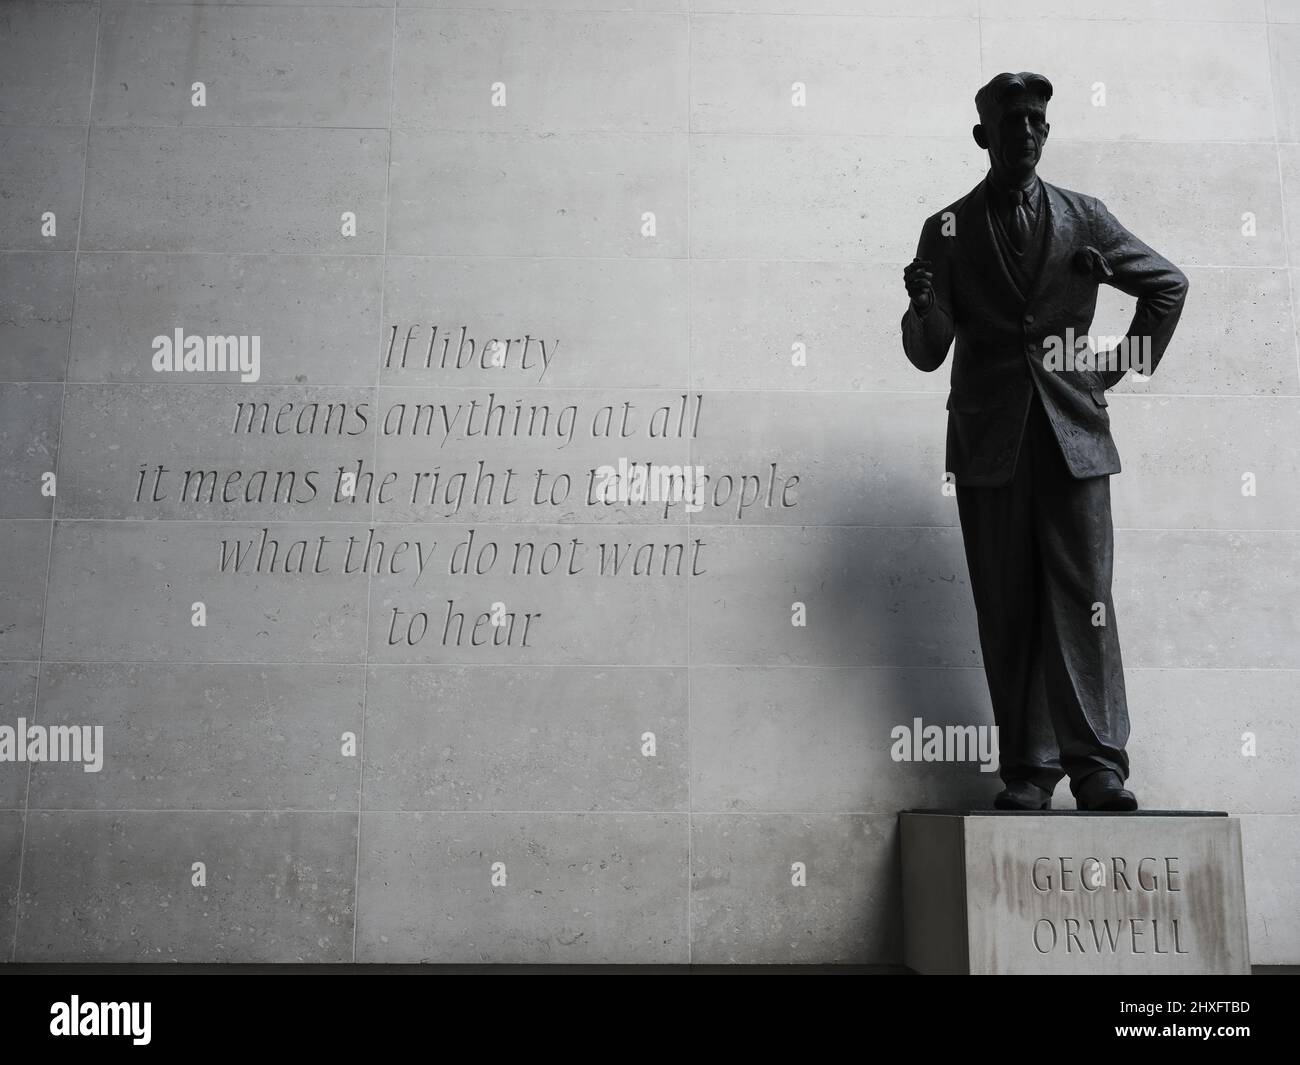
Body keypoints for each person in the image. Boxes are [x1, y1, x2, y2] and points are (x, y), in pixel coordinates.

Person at [900, 72, 1189, 811]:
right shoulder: (948, 228)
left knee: (1085, 596)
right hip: (989, 441)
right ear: (983, 136)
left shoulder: (1084, 217)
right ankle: (1028, 768)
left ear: (1047, 133)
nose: (1026, 130)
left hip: (1074, 437)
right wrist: (922, 305)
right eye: (1012, 120)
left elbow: (1167, 286)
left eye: (1036, 120)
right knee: (1006, 600)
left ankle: (1098, 765)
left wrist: (1110, 371)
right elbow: (929, 351)